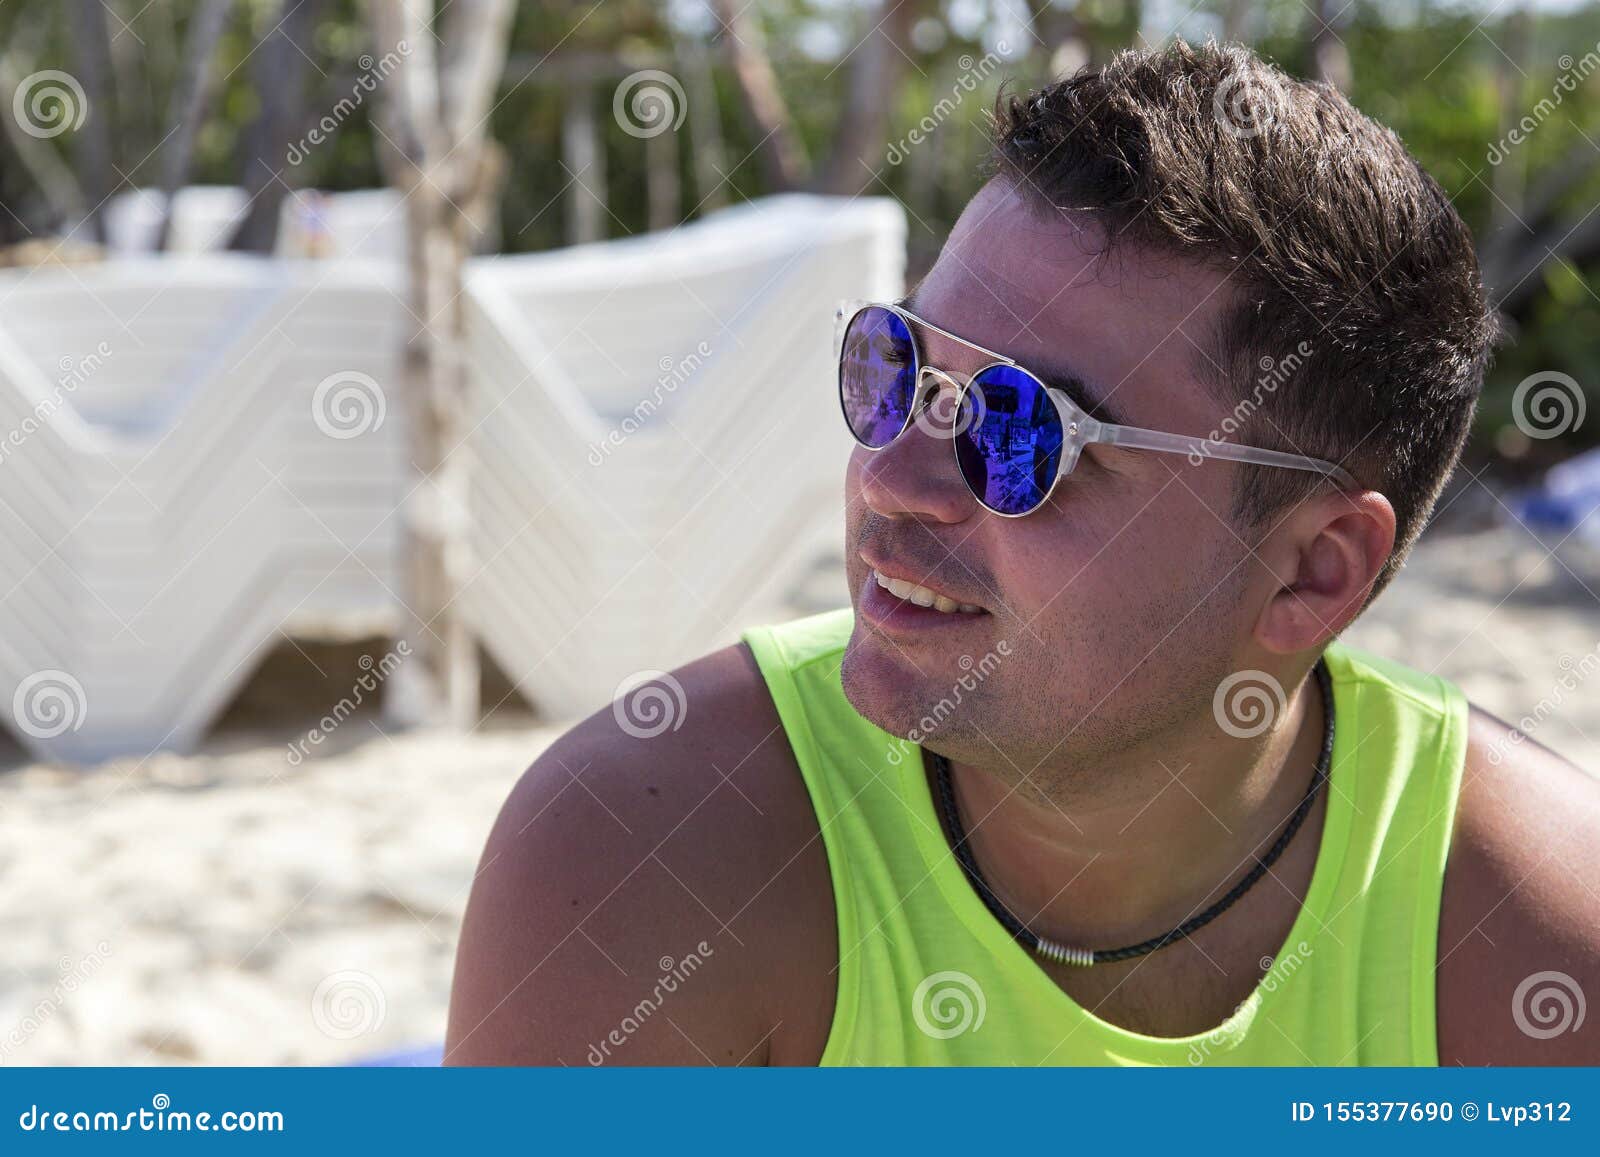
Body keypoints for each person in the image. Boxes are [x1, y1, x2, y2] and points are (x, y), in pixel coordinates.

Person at [445, 41, 1599, 1066]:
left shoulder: (1532, 943)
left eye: (1021, 429)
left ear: (1316, 571)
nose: (892, 479)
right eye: (895, 370)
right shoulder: (648, 860)